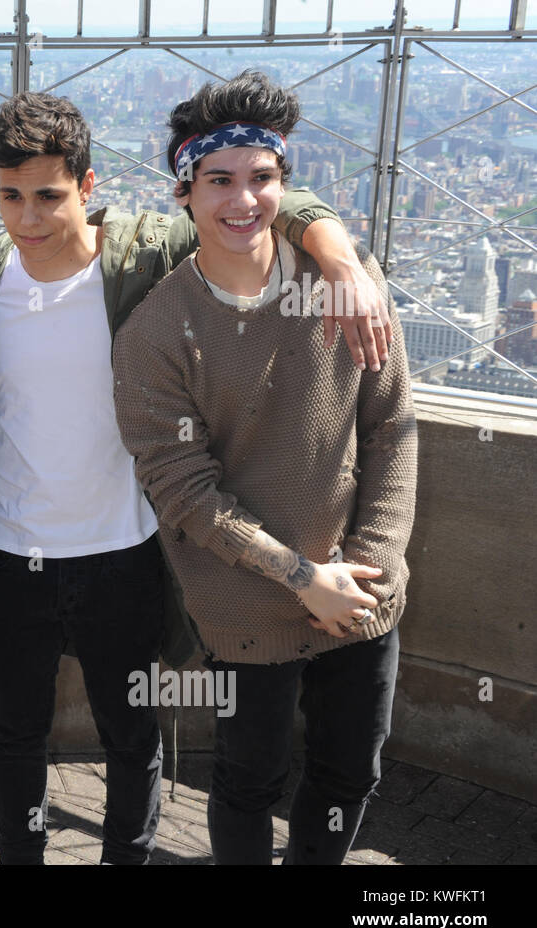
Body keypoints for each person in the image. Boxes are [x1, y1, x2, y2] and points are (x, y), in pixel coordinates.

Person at [0, 90, 397, 865]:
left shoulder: (143, 257)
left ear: (88, 189)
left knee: (134, 739)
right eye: (10, 196)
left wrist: (335, 254)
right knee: (14, 737)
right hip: (10, 553)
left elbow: (255, 199)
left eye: (50, 195)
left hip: (123, 551)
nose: (28, 216)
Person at [112, 71, 416, 864]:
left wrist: (369, 563)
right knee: (248, 779)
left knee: (351, 770)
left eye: (262, 178)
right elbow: (182, 488)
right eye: (219, 181)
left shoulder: (347, 287)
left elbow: (390, 430)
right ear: (185, 192)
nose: (242, 201)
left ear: (287, 184)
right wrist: (296, 576)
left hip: (360, 586)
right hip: (244, 598)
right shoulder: (158, 331)